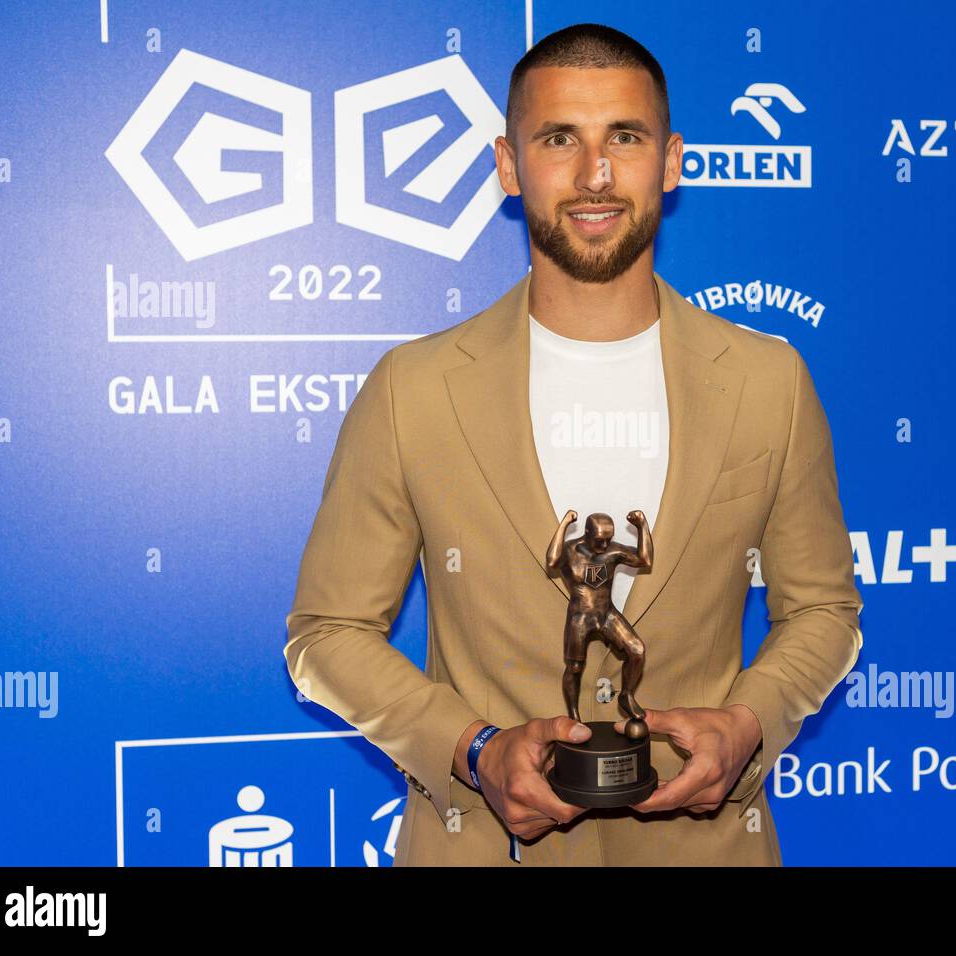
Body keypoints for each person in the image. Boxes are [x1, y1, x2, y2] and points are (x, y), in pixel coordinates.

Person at [284, 22, 863, 866]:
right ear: (509, 165)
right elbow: (328, 633)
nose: (595, 174)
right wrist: (474, 751)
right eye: (560, 138)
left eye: (624, 137)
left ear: (671, 162)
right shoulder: (412, 388)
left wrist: (749, 723)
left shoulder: (769, 381)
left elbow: (823, 612)